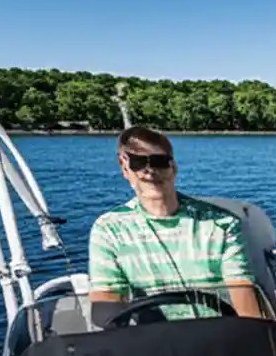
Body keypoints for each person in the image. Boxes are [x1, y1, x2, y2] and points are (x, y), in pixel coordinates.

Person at [88, 126, 262, 326]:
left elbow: (246, 305)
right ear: (124, 166)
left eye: (159, 162)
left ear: (174, 167)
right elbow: (107, 305)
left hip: (219, 336)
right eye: (139, 162)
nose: (150, 172)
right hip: (154, 340)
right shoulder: (108, 231)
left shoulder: (223, 225)